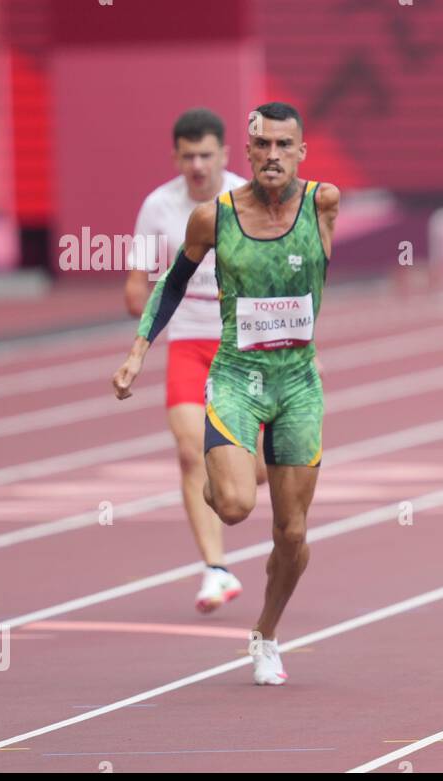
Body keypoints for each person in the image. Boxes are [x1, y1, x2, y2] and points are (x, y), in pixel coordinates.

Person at [113, 102, 340, 685]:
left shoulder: (323, 203)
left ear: (301, 152)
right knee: (236, 506)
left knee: (292, 535)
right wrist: (140, 348)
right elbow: (170, 282)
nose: (272, 155)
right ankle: (218, 475)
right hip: (236, 373)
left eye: (284, 145)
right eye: (261, 145)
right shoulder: (213, 217)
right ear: (248, 152)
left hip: (298, 383)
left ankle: (266, 634)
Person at [123, 107, 259, 615]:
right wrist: (138, 295)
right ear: (176, 158)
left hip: (242, 345)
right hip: (187, 341)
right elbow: (139, 279)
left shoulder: (246, 200)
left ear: (224, 154)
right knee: (187, 452)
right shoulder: (158, 206)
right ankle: (215, 569)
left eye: (206, 155)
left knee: (257, 472)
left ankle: (251, 471)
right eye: (188, 157)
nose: (197, 166)